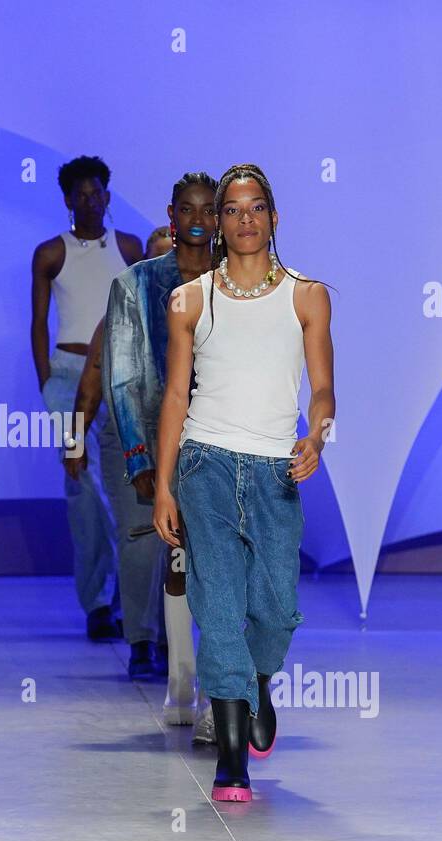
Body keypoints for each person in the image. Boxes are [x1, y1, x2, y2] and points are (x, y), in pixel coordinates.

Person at [153, 164, 335, 803]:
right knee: (220, 611)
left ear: (275, 217)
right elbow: (177, 393)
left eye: (256, 207)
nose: (245, 219)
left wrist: (316, 436)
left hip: (275, 468)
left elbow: (321, 389)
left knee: (276, 609)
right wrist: (164, 486)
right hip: (204, 464)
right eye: (232, 210)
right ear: (219, 223)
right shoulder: (190, 299)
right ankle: (232, 764)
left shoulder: (308, 296)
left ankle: (260, 679)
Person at [95, 173, 217, 707]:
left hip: (220, 440)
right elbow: (122, 375)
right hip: (153, 435)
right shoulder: (136, 285)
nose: (196, 218)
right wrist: (139, 453)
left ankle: (210, 682)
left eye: (207, 209)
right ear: (172, 214)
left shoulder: (236, 281)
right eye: (186, 209)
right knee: (159, 552)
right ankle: (166, 664)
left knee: (216, 565)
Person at [31, 155, 143, 640]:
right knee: (84, 489)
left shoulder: (131, 248)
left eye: (96, 192)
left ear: (108, 196)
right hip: (68, 372)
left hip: (119, 373)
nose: (88, 200)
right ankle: (97, 603)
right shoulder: (50, 253)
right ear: (66, 200)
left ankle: (125, 599)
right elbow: (37, 323)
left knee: (124, 488)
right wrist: (46, 381)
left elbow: (143, 314)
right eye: (79, 194)